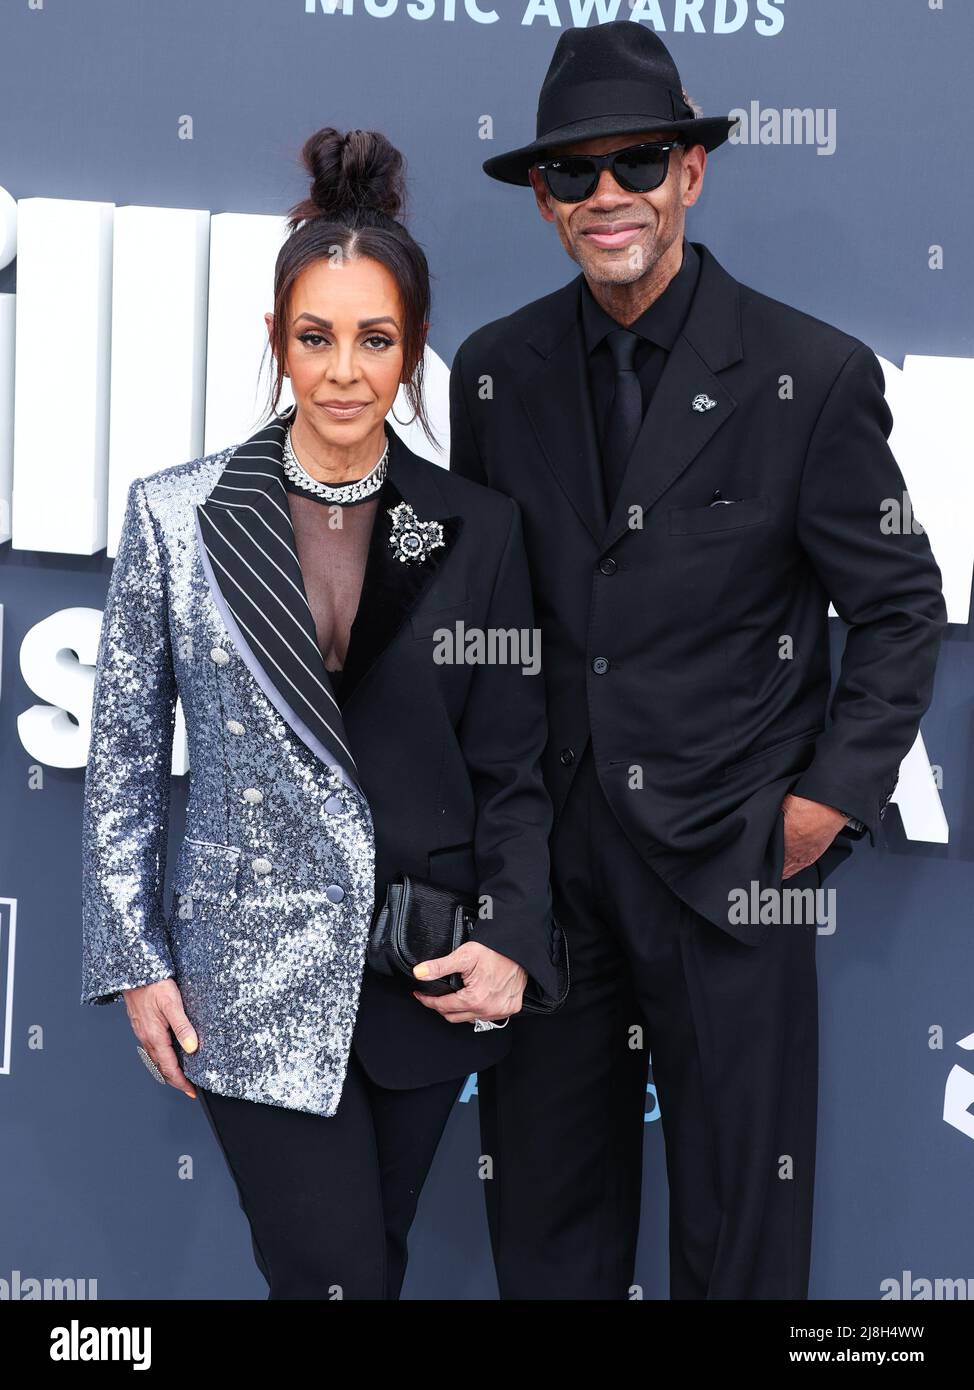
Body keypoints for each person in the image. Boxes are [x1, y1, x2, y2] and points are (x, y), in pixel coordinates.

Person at [449, 23, 947, 1299]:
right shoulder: (498, 374)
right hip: (550, 876)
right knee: (546, 1235)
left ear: (690, 173)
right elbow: (490, 614)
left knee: (740, 1241)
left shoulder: (811, 374)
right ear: (545, 202)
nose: (605, 194)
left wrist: (821, 805)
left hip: (734, 863)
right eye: (573, 173)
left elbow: (896, 605)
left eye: (636, 161)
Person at [81, 125, 560, 1301]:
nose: (345, 371)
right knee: (332, 1269)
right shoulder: (178, 517)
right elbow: (127, 758)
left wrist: (511, 936)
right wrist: (135, 955)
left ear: (410, 352)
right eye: (317, 338)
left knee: (365, 1274)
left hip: (420, 975)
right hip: (245, 977)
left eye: (375, 339)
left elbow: (513, 766)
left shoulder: (476, 528)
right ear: (278, 344)